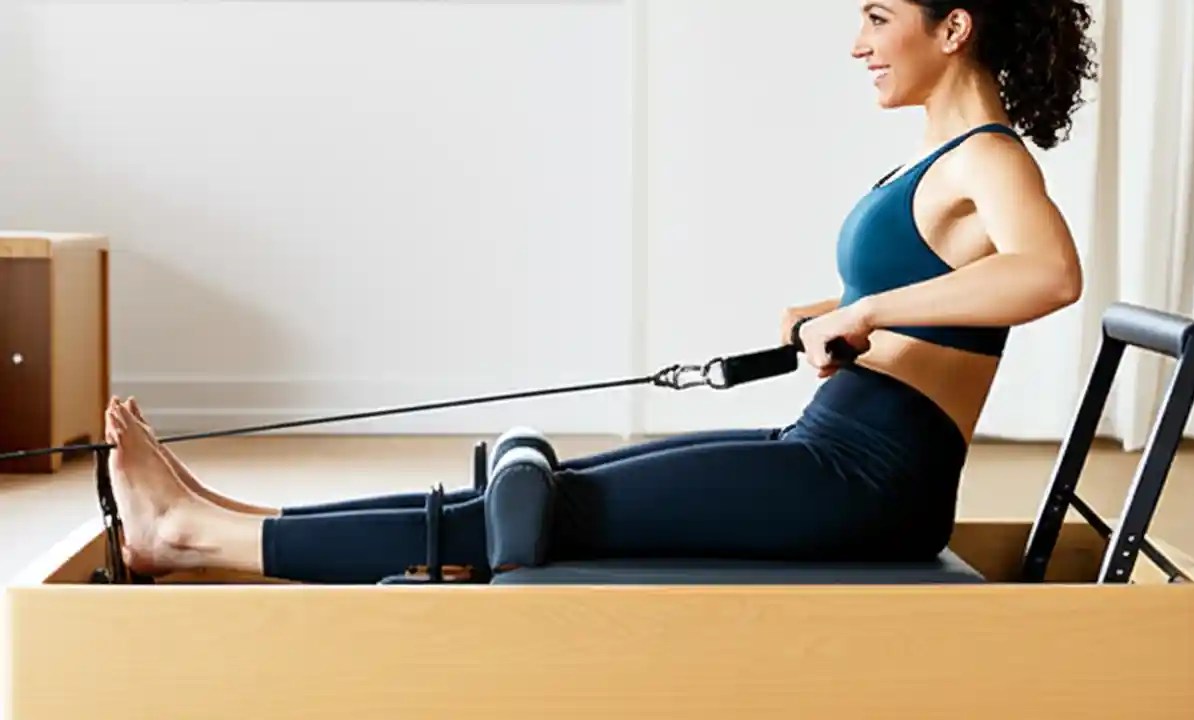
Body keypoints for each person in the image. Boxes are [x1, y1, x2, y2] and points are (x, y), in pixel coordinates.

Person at [104, 0, 1096, 583]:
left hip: (866, 486)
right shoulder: (937, 160)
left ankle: (195, 539)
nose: (856, 42)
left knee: (538, 512)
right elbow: (940, 290)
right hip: (827, 445)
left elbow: (1047, 275)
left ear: (952, 27)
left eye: (878, 16)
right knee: (531, 493)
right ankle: (224, 515)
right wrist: (824, 311)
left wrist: (868, 311)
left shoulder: (987, 157)